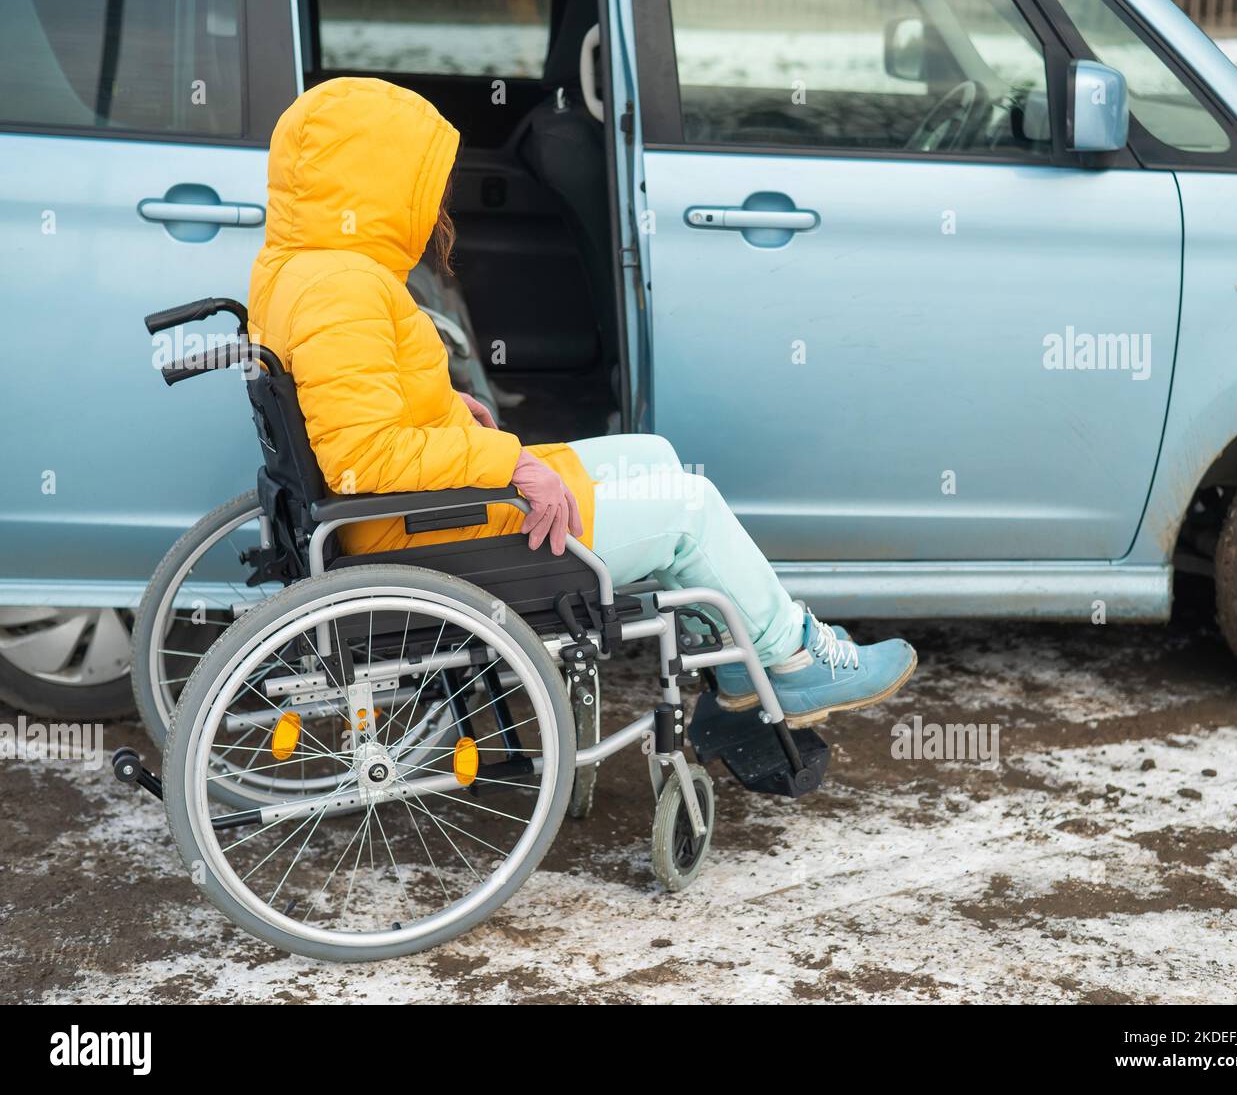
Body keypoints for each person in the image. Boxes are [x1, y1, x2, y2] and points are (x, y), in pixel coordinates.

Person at [248, 78, 916, 729]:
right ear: (375, 179)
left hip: (419, 511)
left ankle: (744, 655)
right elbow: (368, 456)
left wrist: (443, 401)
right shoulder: (344, 287)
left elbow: (351, 401)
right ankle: (794, 658)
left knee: (653, 454)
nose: (437, 197)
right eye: (423, 178)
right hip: (428, 532)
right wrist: (510, 462)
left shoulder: (304, 268)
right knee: (691, 507)